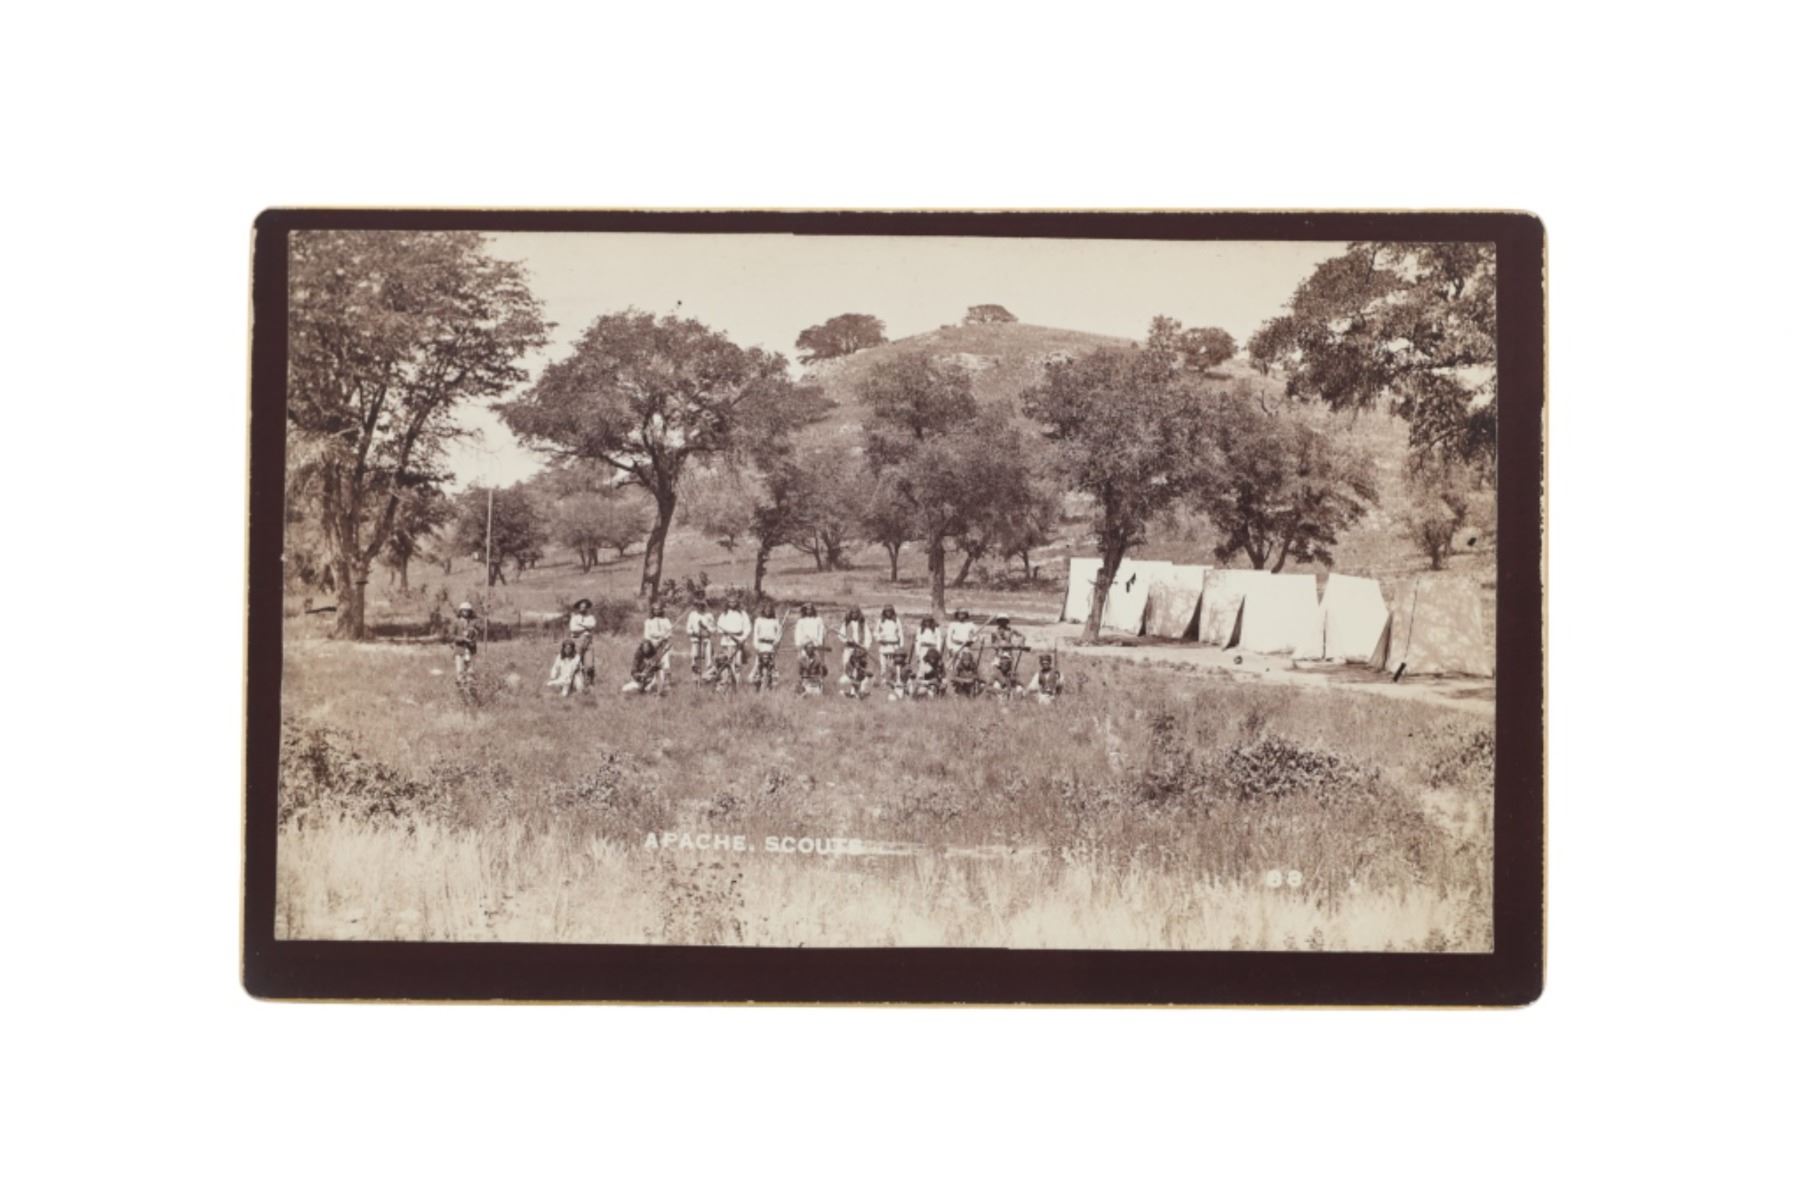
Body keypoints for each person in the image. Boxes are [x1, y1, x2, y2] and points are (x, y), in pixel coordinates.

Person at [714, 592, 751, 688]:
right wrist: (726, 633)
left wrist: (742, 638)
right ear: (728, 603)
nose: (732, 604)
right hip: (726, 642)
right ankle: (726, 683)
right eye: (730, 602)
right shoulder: (724, 614)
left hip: (737, 642)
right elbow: (718, 628)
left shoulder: (742, 614)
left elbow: (748, 628)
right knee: (726, 663)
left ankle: (737, 684)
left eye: (734, 602)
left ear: (737, 602)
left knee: (737, 664)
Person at [450, 601, 482, 701]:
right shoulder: (456, 622)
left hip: (471, 651)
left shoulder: (473, 622)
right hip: (460, 651)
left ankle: (472, 697)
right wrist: (462, 639)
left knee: (471, 673)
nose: (466, 612)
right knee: (460, 673)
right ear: (460, 611)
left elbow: (480, 630)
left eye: (468, 611)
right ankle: (462, 697)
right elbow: (451, 636)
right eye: (463, 611)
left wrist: (475, 630)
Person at [989, 614, 1026, 696]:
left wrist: (1020, 643)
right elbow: (992, 643)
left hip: (1008, 654)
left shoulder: (1011, 630)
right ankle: (997, 689)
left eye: (1004, 620)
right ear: (998, 622)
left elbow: (1023, 636)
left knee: (1010, 671)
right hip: (999, 654)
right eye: (1001, 621)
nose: (1002, 622)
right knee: (996, 671)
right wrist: (996, 646)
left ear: (1007, 621)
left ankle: (1010, 689)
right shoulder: (994, 632)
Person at [751, 601, 783, 692]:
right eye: (766, 609)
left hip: (771, 646)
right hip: (761, 645)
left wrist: (776, 644)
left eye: (769, 609)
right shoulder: (759, 620)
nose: (768, 611)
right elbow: (755, 634)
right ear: (763, 610)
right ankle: (758, 684)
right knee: (758, 665)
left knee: (771, 666)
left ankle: (771, 685)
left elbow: (779, 634)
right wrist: (756, 646)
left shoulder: (775, 621)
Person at [643, 602, 674, 689]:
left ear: (661, 610)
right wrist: (654, 642)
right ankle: (652, 682)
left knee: (666, 663)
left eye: (659, 609)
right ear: (652, 611)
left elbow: (670, 633)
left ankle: (667, 683)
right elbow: (646, 635)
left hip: (664, 644)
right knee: (654, 664)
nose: (657, 611)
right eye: (655, 609)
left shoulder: (666, 620)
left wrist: (663, 638)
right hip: (653, 645)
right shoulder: (648, 621)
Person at [568, 598, 598, 684]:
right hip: (576, 641)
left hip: (588, 642)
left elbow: (592, 626)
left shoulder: (591, 617)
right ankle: (573, 683)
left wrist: (581, 625)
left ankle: (589, 683)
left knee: (589, 665)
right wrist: (586, 628)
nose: (583, 609)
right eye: (581, 607)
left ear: (588, 608)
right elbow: (573, 629)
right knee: (575, 663)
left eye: (585, 607)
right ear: (578, 608)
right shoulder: (574, 618)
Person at [686, 597, 716, 679]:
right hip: (696, 640)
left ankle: (708, 678)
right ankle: (696, 678)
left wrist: (706, 628)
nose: (700, 607)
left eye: (702, 605)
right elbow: (688, 629)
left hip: (706, 640)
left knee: (708, 659)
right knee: (695, 657)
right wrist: (693, 632)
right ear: (696, 606)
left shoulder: (708, 615)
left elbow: (713, 628)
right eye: (698, 605)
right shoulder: (692, 615)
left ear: (704, 606)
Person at [874, 605, 905, 684]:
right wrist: (879, 639)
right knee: (883, 664)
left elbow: (900, 633)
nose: (888, 613)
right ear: (884, 612)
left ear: (892, 612)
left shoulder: (896, 620)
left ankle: (896, 679)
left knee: (894, 664)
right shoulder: (881, 620)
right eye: (886, 611)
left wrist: (901, 646)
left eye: (890, 611)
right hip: (884, 645)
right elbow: (875, 632)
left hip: (894, 645)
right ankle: (884, 679)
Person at [837, 606, 871, 677]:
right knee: (846, 662)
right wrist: (847, 640)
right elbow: (840, 635)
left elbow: (868, 636)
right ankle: (848, 677)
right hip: (849, 647)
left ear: (859, 614)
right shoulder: (846, 624)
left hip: (860, 648)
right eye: (853, 613)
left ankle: (860, 679)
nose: (854, 615)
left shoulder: (863, 624)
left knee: (861, 664)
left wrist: (865, 646)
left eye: (856, 613)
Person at [794, 602, 826, 673]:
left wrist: (818, 643)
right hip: (804, 645)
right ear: (804, 610)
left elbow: (821, 632)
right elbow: (798, 633)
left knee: (817, 662)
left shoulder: (818, 620)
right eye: (807, 609)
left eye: (810, 609)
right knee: (804, 662)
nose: (809, 611)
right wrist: (799, 644)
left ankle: (817, 679)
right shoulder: (801, 621)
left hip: (816, 644)